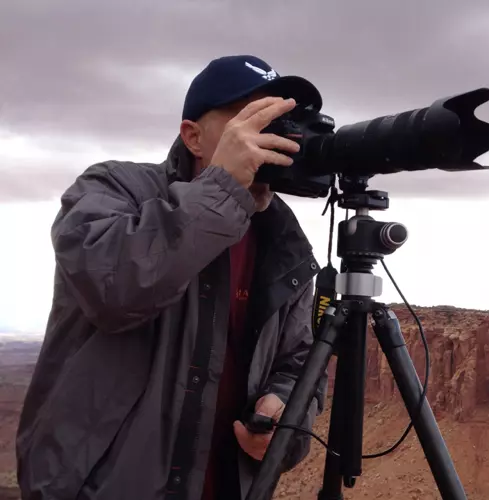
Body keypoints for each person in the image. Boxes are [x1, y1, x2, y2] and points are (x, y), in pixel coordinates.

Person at [16, 55, 328, 500]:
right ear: (193, 137)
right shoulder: (113, 188)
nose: (269, 134)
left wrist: (282, 414)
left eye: (280, 119)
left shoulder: (283, 240)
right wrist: (224, 190)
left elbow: (299, 360)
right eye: (251, 119)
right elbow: (115, 288)